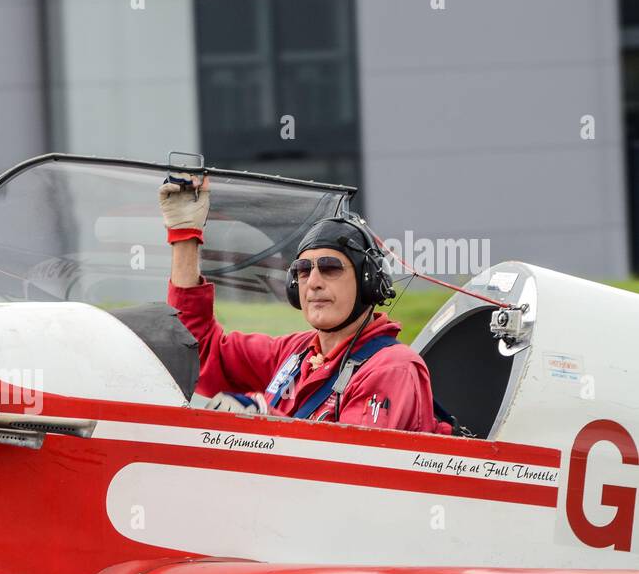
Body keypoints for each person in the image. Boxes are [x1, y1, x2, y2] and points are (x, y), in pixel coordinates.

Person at [159, 172, 450, 434]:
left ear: (367, 281)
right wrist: (185, 236)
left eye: (330, 268)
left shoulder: (392, 368)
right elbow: (199, 351)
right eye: (303, 270)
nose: (313, 282)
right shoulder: (295, 353)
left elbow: (354, 471)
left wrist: (263, 419)